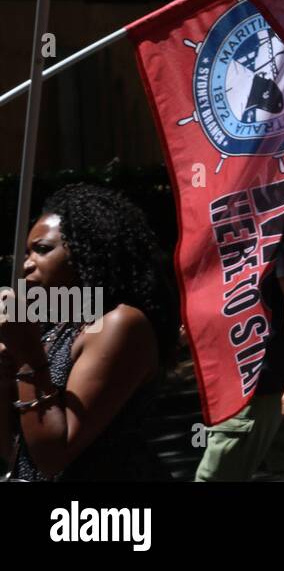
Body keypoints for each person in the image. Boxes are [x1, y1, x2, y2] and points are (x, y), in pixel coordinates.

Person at [0, 184, 178, 481]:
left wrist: (27, 358)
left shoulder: (120, 325)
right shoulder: (56, 328)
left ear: (88, 251)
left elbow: (53, 456)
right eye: (27, 253)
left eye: (42, 250)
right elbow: (14, 449)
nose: (27, 265)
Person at [194, 205, 284, 481]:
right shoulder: (223, 206)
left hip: (256, 380)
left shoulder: (276, 212)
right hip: (245, 375)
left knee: (214, 478)